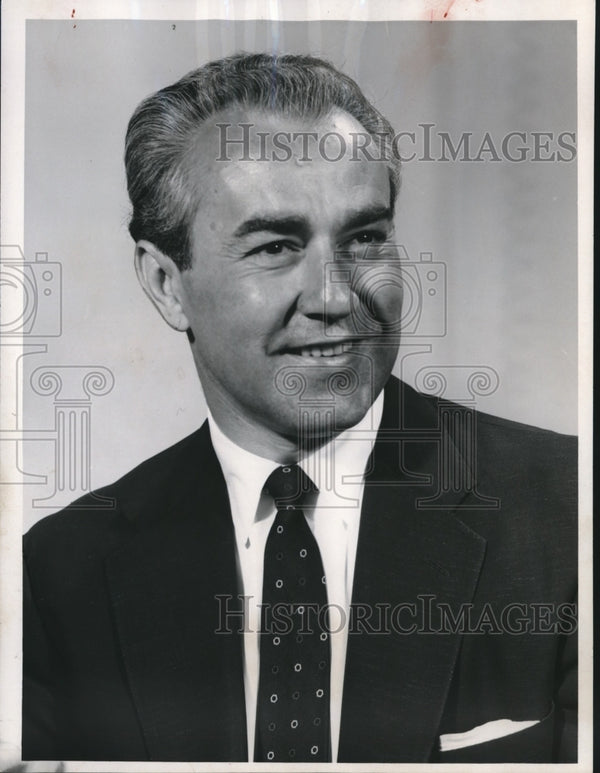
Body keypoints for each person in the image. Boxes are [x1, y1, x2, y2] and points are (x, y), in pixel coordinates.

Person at [22, 52, 577, 764]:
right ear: (165, 283)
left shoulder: (566, 512)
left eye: (366, 238)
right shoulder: (58, 577)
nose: (337, 296)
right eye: (278, 246)